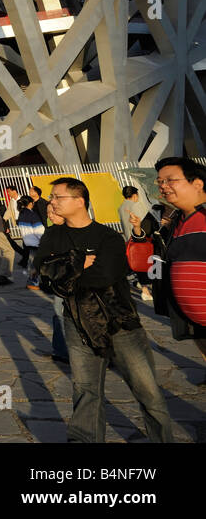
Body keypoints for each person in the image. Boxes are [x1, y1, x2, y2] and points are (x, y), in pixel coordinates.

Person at [36, 176, 173, 443]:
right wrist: (78, 262)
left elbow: (104, 275)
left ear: (79, 201)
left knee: (148, 392)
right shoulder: (53, 234)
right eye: (51, 197)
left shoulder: (106, 236)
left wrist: (66, 270)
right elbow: (43, 275)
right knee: (86, 391)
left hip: (120, 322)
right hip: (78, 323)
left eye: (57, 196)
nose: (51, 201)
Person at [151, 156, 206, 364]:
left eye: (170, 180)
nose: (163, 186)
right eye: (160, 182)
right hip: (195, 324)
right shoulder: (176, 221)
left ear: (197, 184)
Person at [17, 189, 46, 288]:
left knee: (33, 263)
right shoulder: (32, 214)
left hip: (28, 242)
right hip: (36, 242)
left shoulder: (21, 214)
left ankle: (33, 281)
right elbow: (39, 231)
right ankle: (33, 282)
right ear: (30, 203)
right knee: (37, 264)